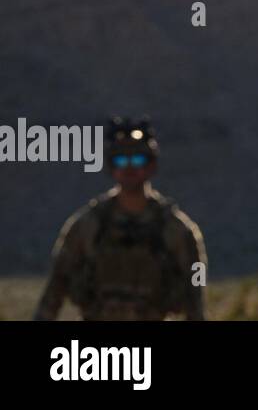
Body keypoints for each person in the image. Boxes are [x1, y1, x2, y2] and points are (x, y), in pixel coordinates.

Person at [34, 117, 207, 321]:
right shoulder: (87, 225)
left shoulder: (176, 230)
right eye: (121, 160)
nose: (129, 167)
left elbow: (196, 292)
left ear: (151, 165)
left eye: (138, 160)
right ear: (110, 166)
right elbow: (55, 288)